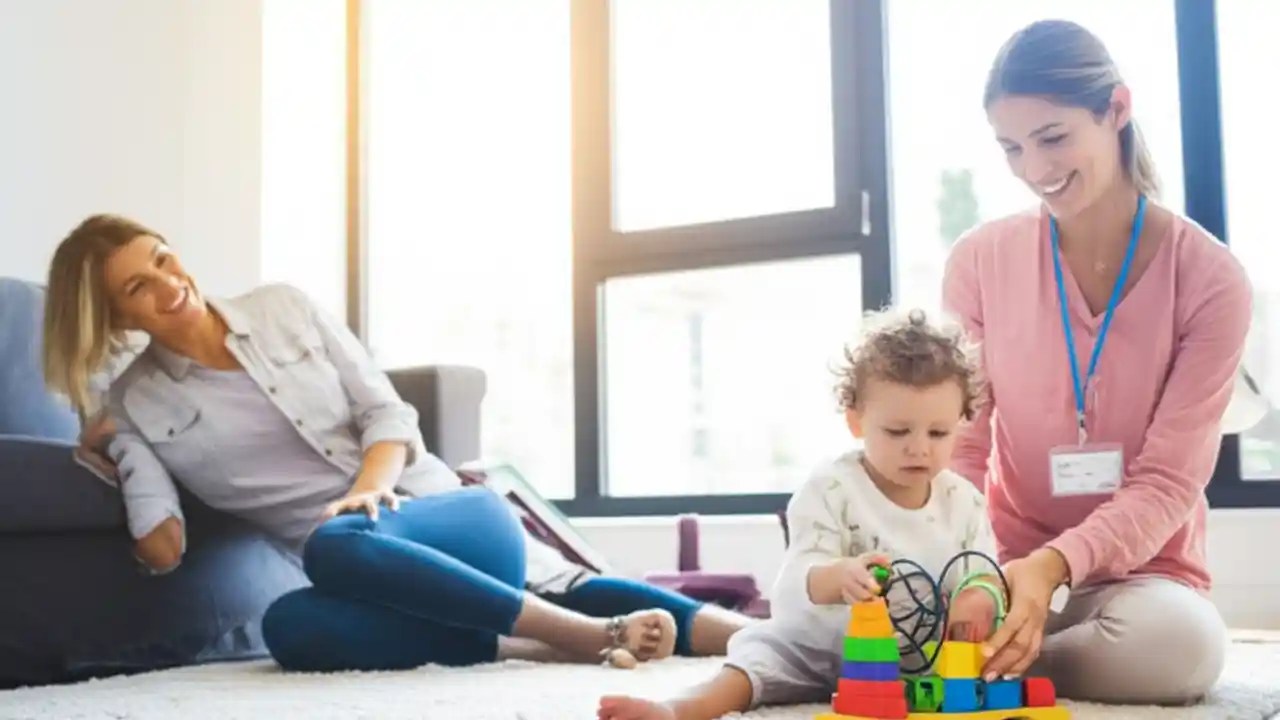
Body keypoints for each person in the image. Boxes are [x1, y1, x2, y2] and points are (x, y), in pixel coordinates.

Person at [43, 213, 752, 673]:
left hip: (446, 513)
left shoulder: (282, 306)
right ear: (115, 314)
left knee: (338, 541)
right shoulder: (137, 402)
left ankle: (678, 636)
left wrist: (367, 489)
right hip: (368, 569)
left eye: (164, 258)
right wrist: (113, 447)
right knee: (291, 627)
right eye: (140, 285)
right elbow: (163, 549)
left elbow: (388, 414)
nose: (169, 284)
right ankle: (536, 640)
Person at [943, 19, 1253, 704]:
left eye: (1052, 138)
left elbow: (1170, 482)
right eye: (1012, 148)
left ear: (1116, 108)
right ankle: (994, 651)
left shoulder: (1211, 280)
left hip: (1141, 581)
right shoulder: (979, 261)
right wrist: (969, 568)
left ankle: (997, 667)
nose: (1034, 170)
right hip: (998, 566)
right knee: (858, 603)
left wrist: (1055, 567)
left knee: (1180, 651)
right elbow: (961, 446)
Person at [598, 308, 1005, 720]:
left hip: (918, 663)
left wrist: (979, 596)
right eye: (898, 431)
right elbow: (795, 582)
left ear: (961, 422)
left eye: (938, 433)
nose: (919, 448)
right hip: (817, 649)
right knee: (758, 654)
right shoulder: (831, 488)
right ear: (856, 422)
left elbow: (985, 573)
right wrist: (837, 575)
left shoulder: (963, 501)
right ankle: (677, 709)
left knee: (1003, 661)